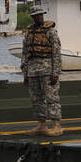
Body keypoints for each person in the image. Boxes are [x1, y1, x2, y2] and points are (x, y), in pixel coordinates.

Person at [21, 8, 63, 136]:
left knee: (52, 98)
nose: (39, 17)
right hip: (33, 71)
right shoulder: (29, 33)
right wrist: (25, 73)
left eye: (40, 15)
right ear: (32, 17)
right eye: (36, 16)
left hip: (47, 70)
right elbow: (25, 54)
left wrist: (55, 73)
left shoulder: (50, 32)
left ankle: (57, 125)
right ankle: (41, 125)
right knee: (36, 99)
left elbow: (56, 53)